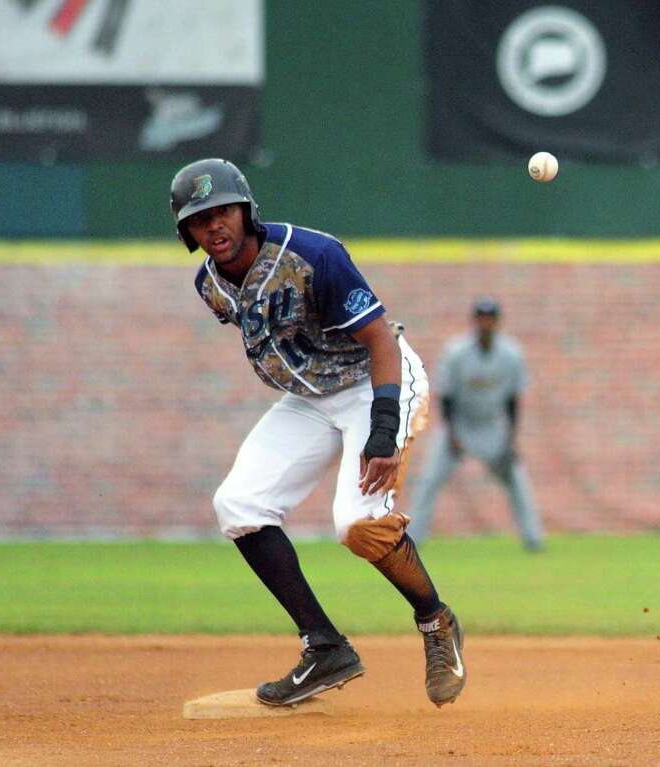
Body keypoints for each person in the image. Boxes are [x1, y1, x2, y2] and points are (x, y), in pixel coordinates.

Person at [169, 158, 466, 708]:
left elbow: (379, 340)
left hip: (376, 382)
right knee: (238, 505)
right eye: (199, 219)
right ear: (185, 231)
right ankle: (325, 647)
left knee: (357, 525)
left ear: (246, 210)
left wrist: (382, 431)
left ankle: (435, 620)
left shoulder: (313, 255)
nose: (214, 226)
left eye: (223, 211)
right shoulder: (209, 284)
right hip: (309, 398)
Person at [406, 299, 544, 551]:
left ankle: (533, 538)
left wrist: (511, 438)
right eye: (481, 318)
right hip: (459, 425)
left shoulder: (511, 354)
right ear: (474, 321)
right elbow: (445, 396)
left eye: (490, 318)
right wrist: (452, 435)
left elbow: (513, 400)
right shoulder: (456, 352)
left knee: (516, 478)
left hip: (492, 426)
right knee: (429, 480)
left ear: (497, 322)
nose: (486, 323)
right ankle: (413, 538)